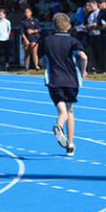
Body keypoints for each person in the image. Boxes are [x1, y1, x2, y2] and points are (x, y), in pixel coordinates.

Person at [40, 12, 89, 156]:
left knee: (62, 111)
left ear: (54, 26)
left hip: (54, 80)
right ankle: (70, 144)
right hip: (72, 81)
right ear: (69, 26)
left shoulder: (47, 41)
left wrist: (44, 64)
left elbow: (42, 61)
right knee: (70, 111)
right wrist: (83, 70)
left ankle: (59, 127)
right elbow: (83, 56)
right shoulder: (73, 41)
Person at [19, 5, 42, 71]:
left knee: (34, 51)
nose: (27, 13)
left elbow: (39, 29)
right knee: (27, 52)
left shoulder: (35, 20)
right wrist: (25, 40)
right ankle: (26, 66)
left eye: (28, 12)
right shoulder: (23, 22)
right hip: (27, 38)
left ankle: (36, 66)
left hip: (34, 37)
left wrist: (33, 31)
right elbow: (22, 32)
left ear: (31, 12)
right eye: (26, 12)